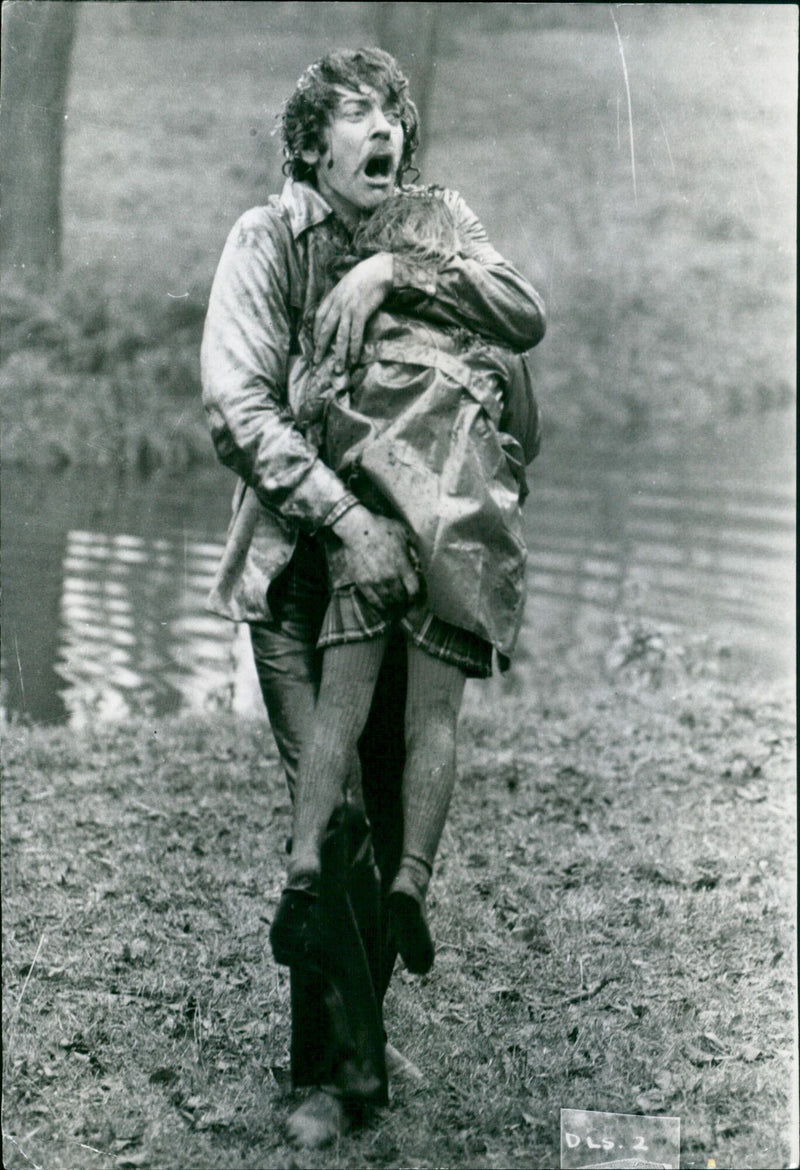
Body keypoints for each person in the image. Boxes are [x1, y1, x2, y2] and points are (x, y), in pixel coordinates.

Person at [201, 47, 545, 1148]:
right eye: (355, 116)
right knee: (338, 813)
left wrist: (394, 277)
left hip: (413, 559)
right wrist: (345, 522)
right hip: (299, 571)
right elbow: (237, 414)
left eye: (392, 112)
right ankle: (333, 1075)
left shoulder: (426, 232)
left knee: (392, 814)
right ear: (310, 145)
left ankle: (353, 1042)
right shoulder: (265, 244)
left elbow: (515, 334)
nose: (382, 130)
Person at [269, 191, 533, 979]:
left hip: (375, 537)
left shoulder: (359, 325)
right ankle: (412, 877)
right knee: (434, 721)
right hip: (460, 542)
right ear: (453, 265)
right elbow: (528, 433)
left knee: (338, 712)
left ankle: (305, 864)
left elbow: (307, 407)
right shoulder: (496, 343)